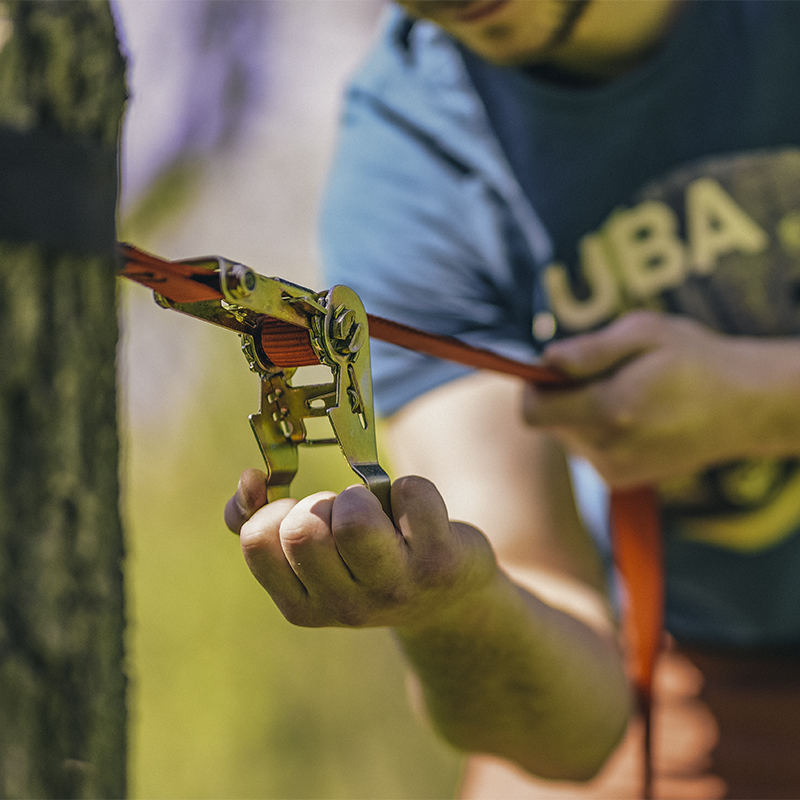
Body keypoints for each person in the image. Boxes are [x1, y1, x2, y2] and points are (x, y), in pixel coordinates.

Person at [225, 2, 800, 797]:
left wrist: (768, 401)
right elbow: (568, 735)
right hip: (687, 667)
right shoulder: (413, 159)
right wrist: (454, 607)